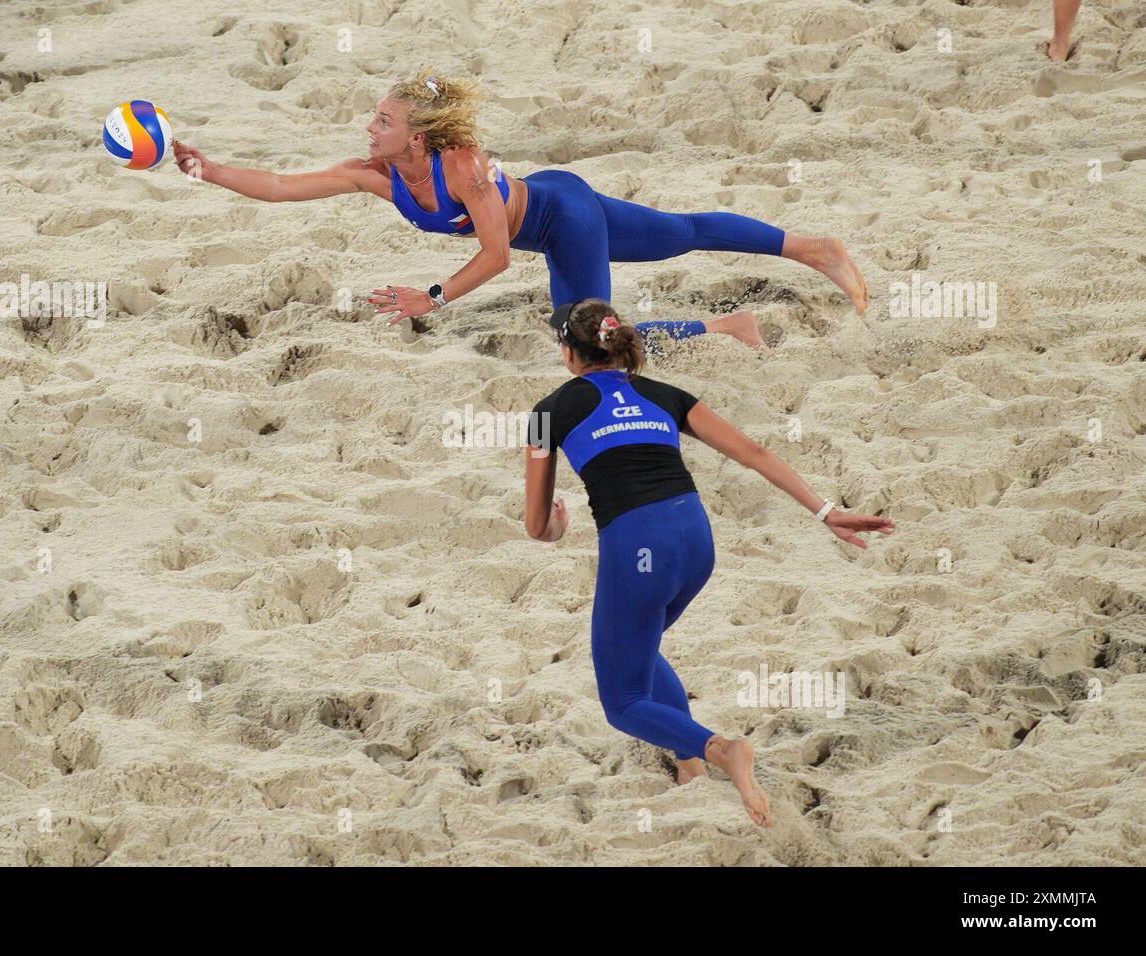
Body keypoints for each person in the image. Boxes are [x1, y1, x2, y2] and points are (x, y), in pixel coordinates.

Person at [172, 68, 869, 352]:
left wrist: (433, 297)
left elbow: (499, 256)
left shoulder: (464, 167)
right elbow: (283, 186)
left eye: (381, 121)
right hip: (556, 200)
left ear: (417, 134)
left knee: (584, 343)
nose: (368, 129)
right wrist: (209, 171)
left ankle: (726, 325)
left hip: (562, 218)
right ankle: (811, 248)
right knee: (675, 233)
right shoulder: (376, 175)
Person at [523, 298, 896, 827]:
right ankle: (690, 762)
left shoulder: (545, 414)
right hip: (696, 540)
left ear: (569, 354)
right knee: (639, 648)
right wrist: (827, 512)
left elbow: (536, 524)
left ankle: (720, 750)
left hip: (638, 547)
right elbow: (754, 453)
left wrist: (558, 525)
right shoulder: (665, 395)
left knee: (622, 700)